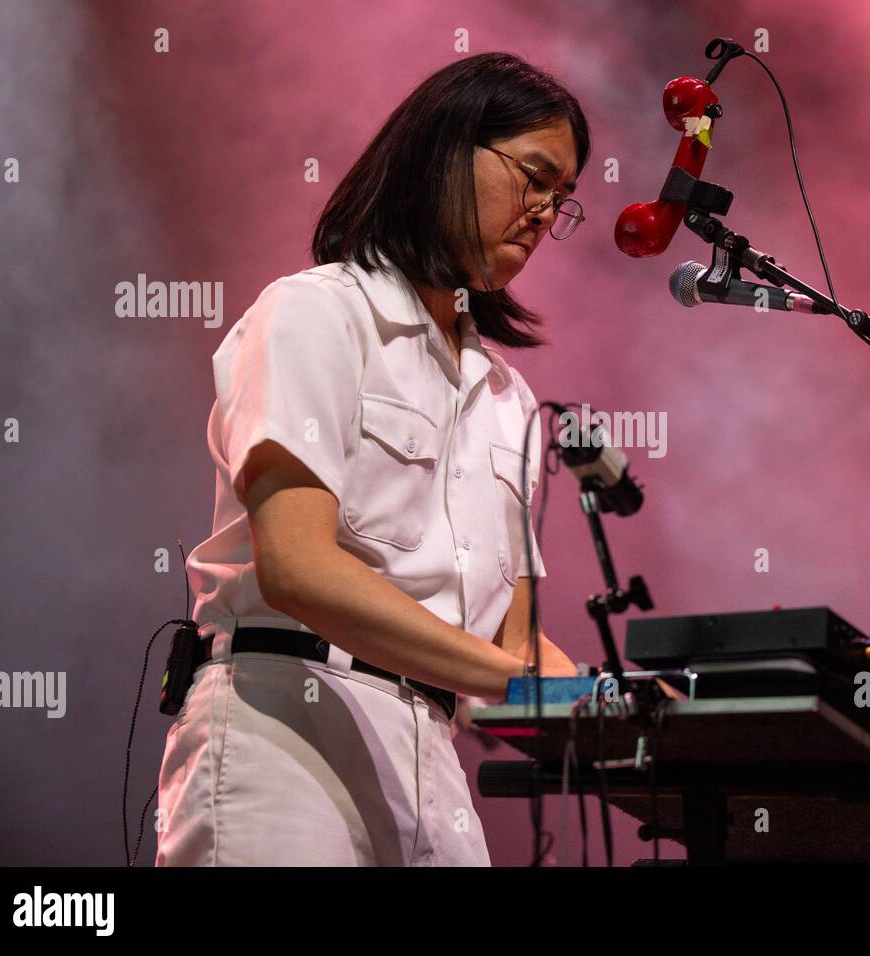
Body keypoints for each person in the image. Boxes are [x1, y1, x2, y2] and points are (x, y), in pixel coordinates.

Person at [155, 51, 589, 866]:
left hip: (431, 756)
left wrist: (630, 710)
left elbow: (518, 643)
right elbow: (298, 569)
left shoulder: (511, 401)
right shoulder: (316, 313)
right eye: (534, 176)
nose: (544, 211)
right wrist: (515, 679)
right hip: (285, 733)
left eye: (562, 200)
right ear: (445, 151)